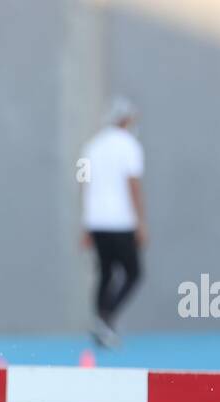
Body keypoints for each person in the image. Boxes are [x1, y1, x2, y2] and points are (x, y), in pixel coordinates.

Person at [80, 97, 146, 349]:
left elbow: (84, 185)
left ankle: (101, 321)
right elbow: (133, 185)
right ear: (124, 120)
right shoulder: (129, 146)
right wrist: (140, 221)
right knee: (133, 273)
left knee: (106, 272)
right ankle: (106, 317)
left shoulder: (92, 147)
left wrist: (85, 223)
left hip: (97, 221)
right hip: (121, 221)